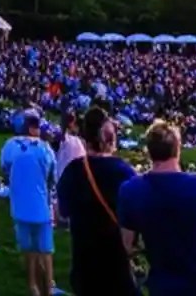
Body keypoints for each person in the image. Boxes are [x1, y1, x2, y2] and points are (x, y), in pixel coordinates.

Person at [119, 120, 196, 296]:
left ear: (149, 151)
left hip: (165, 283)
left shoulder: (131, 190)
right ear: (178, 148)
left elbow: (127, 245)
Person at [56, 107, 138, 296]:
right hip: (115, 265)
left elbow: (61, 214)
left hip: (83, 265)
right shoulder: (123, 172)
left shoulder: (73, 171)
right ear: (109, 137)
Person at [1, 114, 56, 296]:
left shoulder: (10, 146)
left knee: (28, 248)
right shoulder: (45, 149)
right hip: (41, 206)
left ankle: (33, 285)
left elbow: (4, 169)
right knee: (46, 250)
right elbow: (52, 178)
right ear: (33, 129)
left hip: (19, 205)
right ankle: (48, 287)